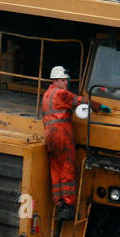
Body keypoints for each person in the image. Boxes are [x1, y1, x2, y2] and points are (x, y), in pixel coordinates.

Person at [41, 66, 82, 221]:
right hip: (62, 134)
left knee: (55, 169)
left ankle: (59, 204)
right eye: (63, 80)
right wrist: (99, 106)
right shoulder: (61, 94)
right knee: (67, 168)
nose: (66, 83)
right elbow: (79, 101)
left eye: (66, 80)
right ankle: (69, 206)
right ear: (56, 81)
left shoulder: (46, 95)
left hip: (49, 135)